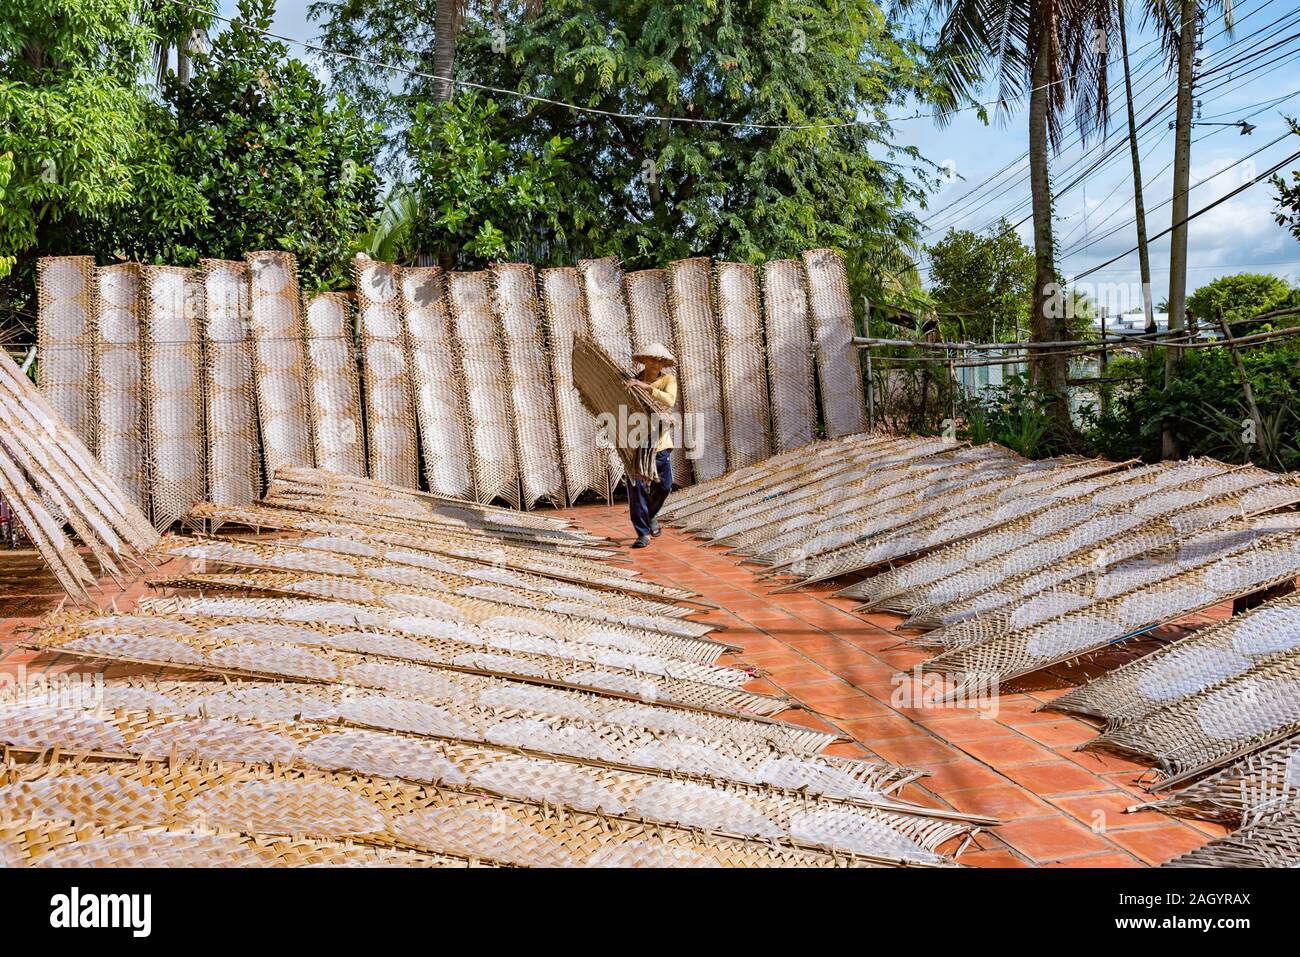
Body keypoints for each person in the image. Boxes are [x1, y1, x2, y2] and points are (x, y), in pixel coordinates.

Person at [626, 343, 677, 549]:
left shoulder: (668, 380)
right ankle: (642, 533)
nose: (656, 363)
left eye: (660, 360)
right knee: (637, 487)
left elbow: (670, 400)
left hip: (660, 443)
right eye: (652, 359)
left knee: (664, 485)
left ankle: (651, 514)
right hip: (636, 443)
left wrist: (648, 388)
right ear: (643, 360)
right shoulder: (631, 382)